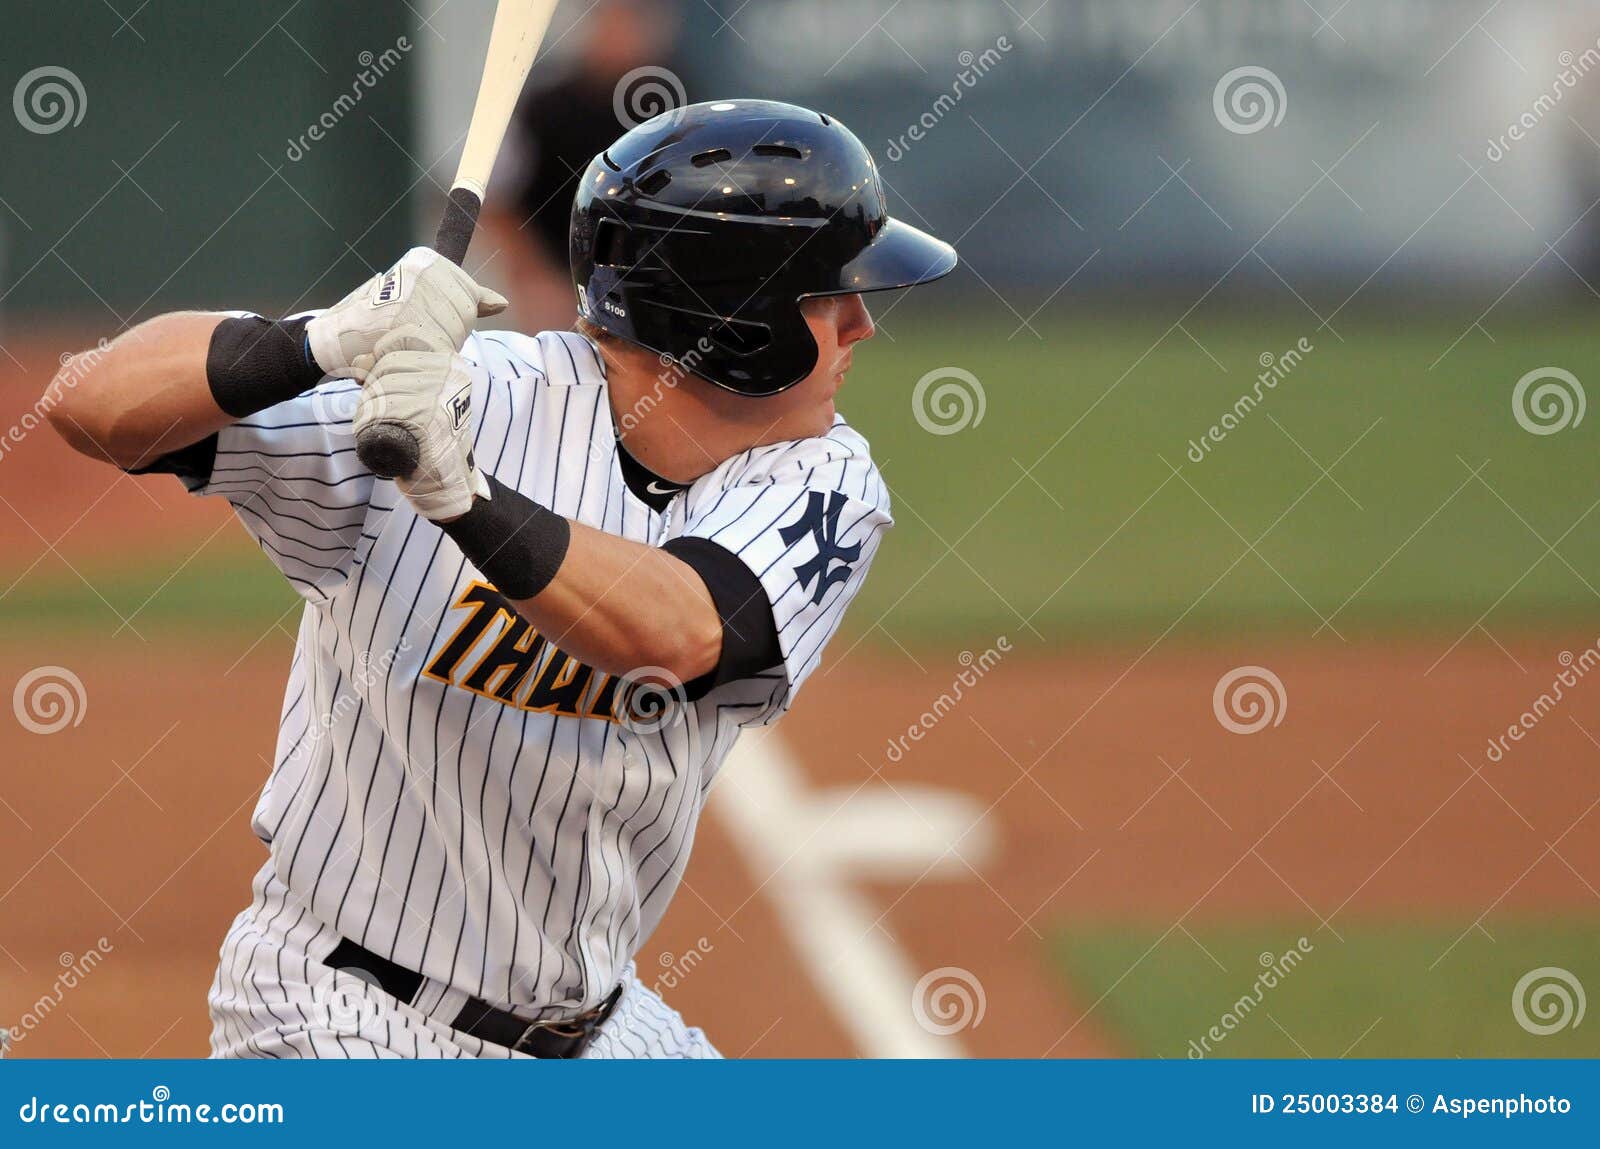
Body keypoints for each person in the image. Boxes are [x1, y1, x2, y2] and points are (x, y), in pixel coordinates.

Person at [44, 99, 956, 1059]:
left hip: (600, 1028)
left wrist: (460, 495)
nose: (863, 325)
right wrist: (315, 343)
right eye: (831, 298)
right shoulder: (464, 395)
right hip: (342, 1013)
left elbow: (679, 630)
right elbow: (86, 402)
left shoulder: (824, 476)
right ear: (739, 323)